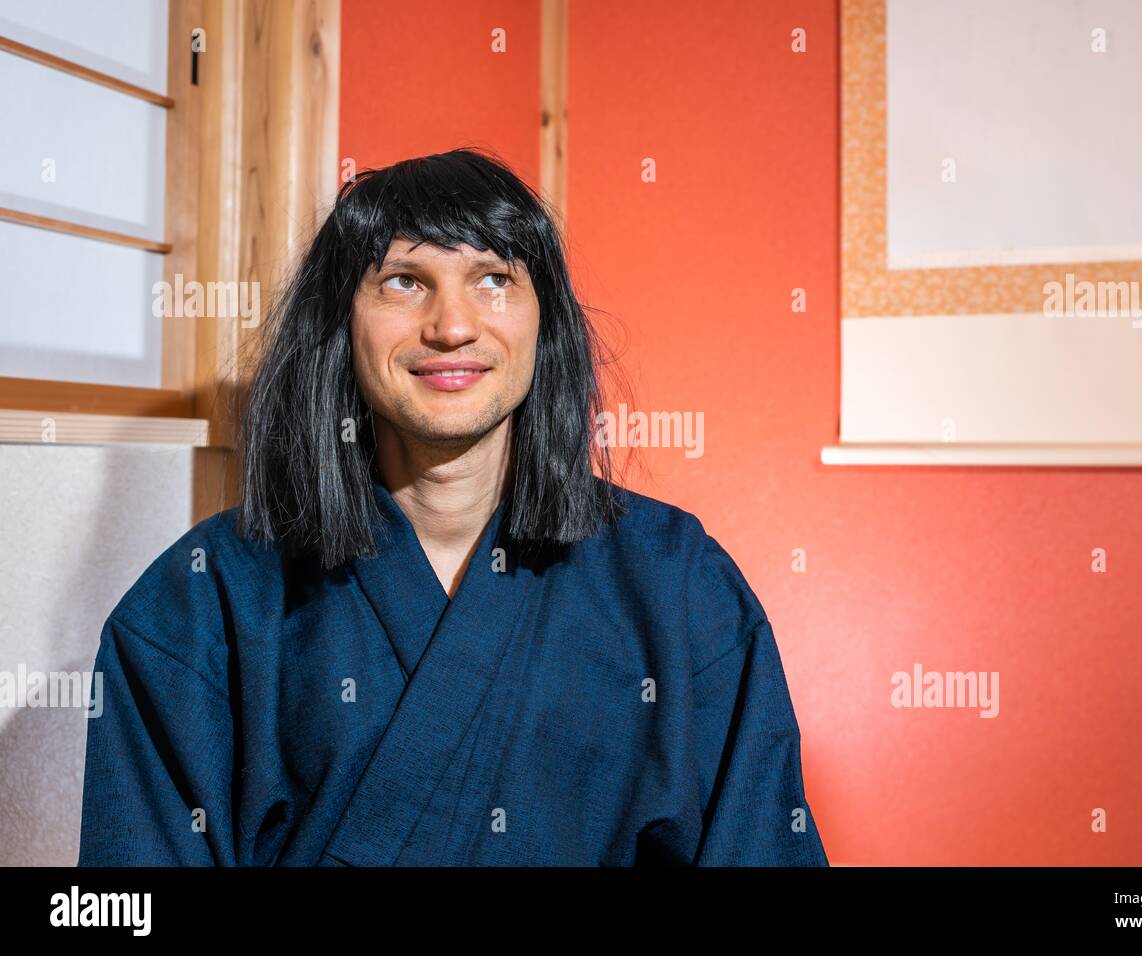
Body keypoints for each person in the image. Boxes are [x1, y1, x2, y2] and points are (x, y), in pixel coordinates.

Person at [76, 148, 828, 866]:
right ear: (339, 323)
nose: (452, 325)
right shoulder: (204, 599)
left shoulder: (675, 583)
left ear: (546, 322)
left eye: (493, 278)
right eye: (404, 281)